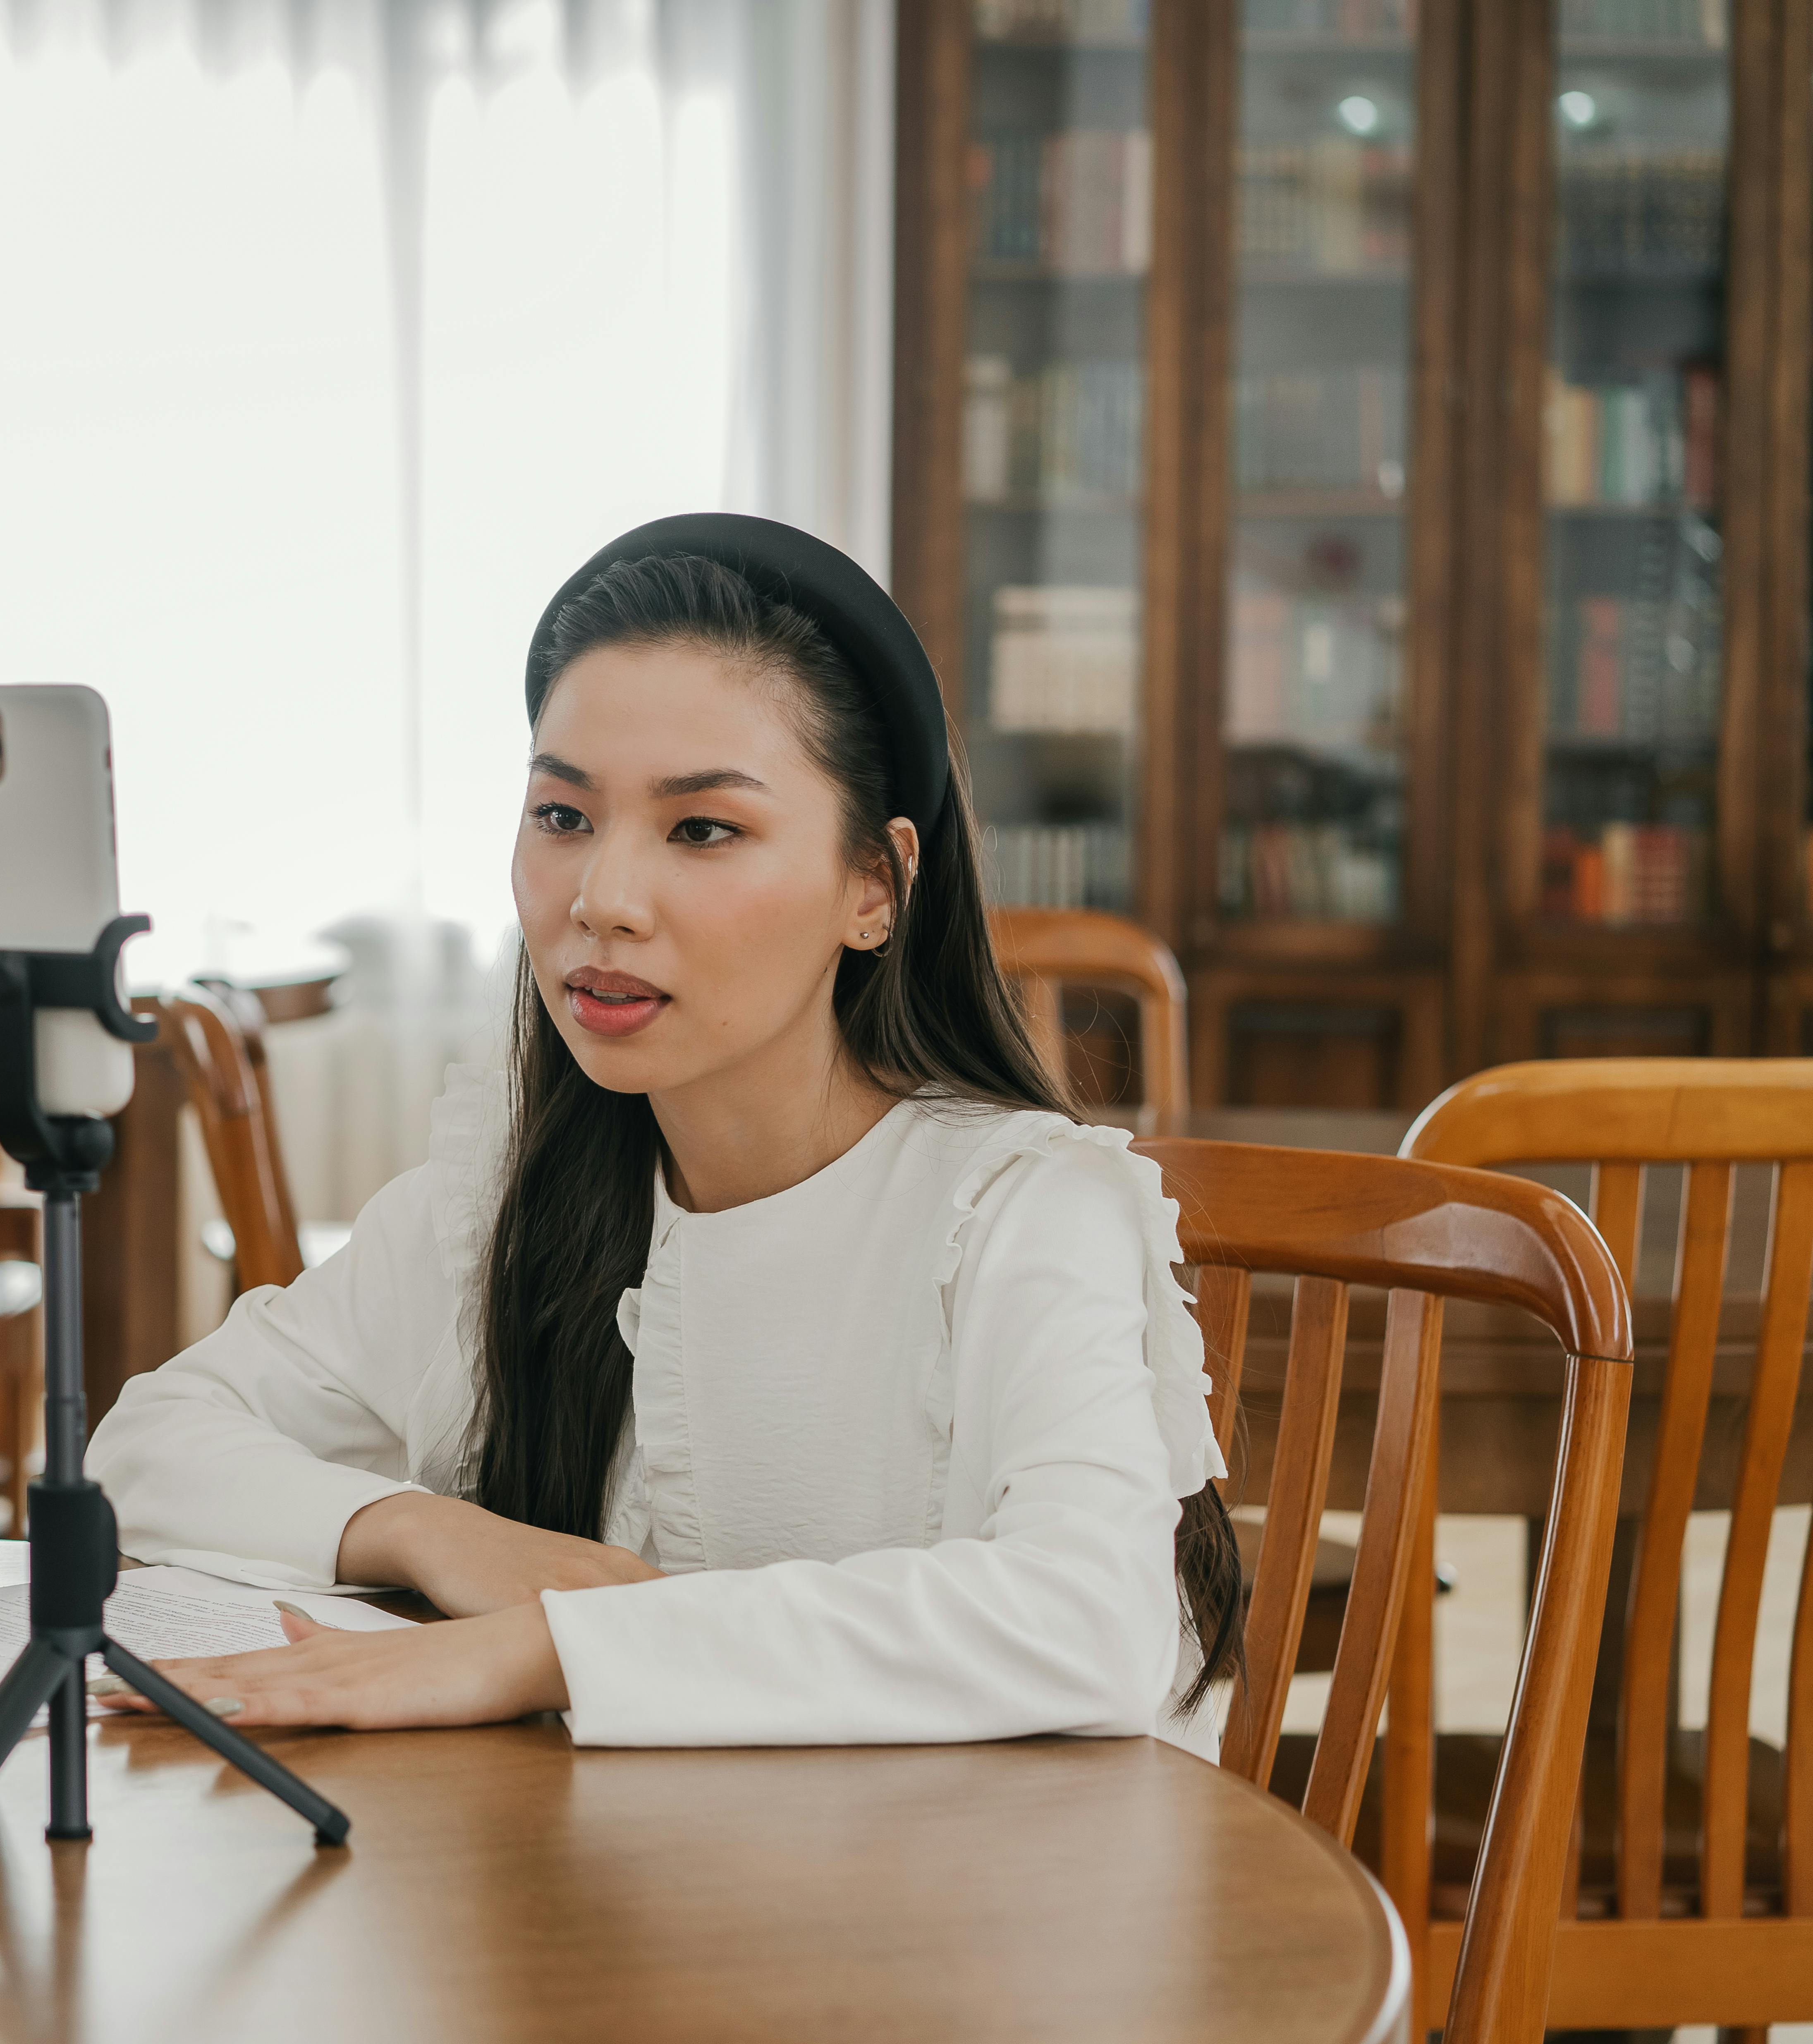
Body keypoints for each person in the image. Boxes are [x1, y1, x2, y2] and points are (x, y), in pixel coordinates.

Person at [91, 514, 1239, 1745]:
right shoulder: (493, 1209)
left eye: (702, 830)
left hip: (987, 1917)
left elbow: (1094, 1619)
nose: (601, 901)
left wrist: (554, 1650)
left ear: (876, 886)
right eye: (563, 817)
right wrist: (437, 1534)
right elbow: (144, 1449)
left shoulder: (1021, 1210)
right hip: (637, 1902)